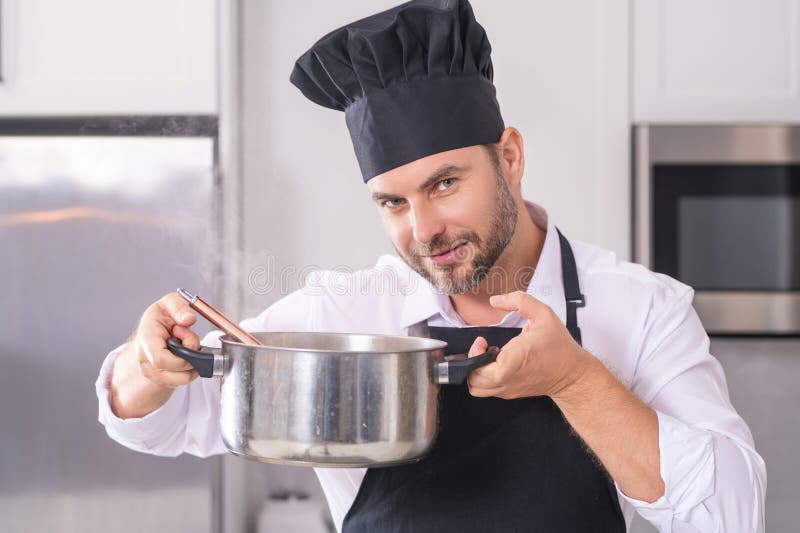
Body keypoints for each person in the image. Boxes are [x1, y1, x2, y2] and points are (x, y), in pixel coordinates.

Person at [97, 1, 766, 531]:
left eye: (445, 184)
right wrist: (148, 361)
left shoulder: (640, 308)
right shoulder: (341, 316)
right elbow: (153, 421)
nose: (423, 231)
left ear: (509, 157)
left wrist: (575, 378)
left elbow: (733, 514)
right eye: (393, 201)